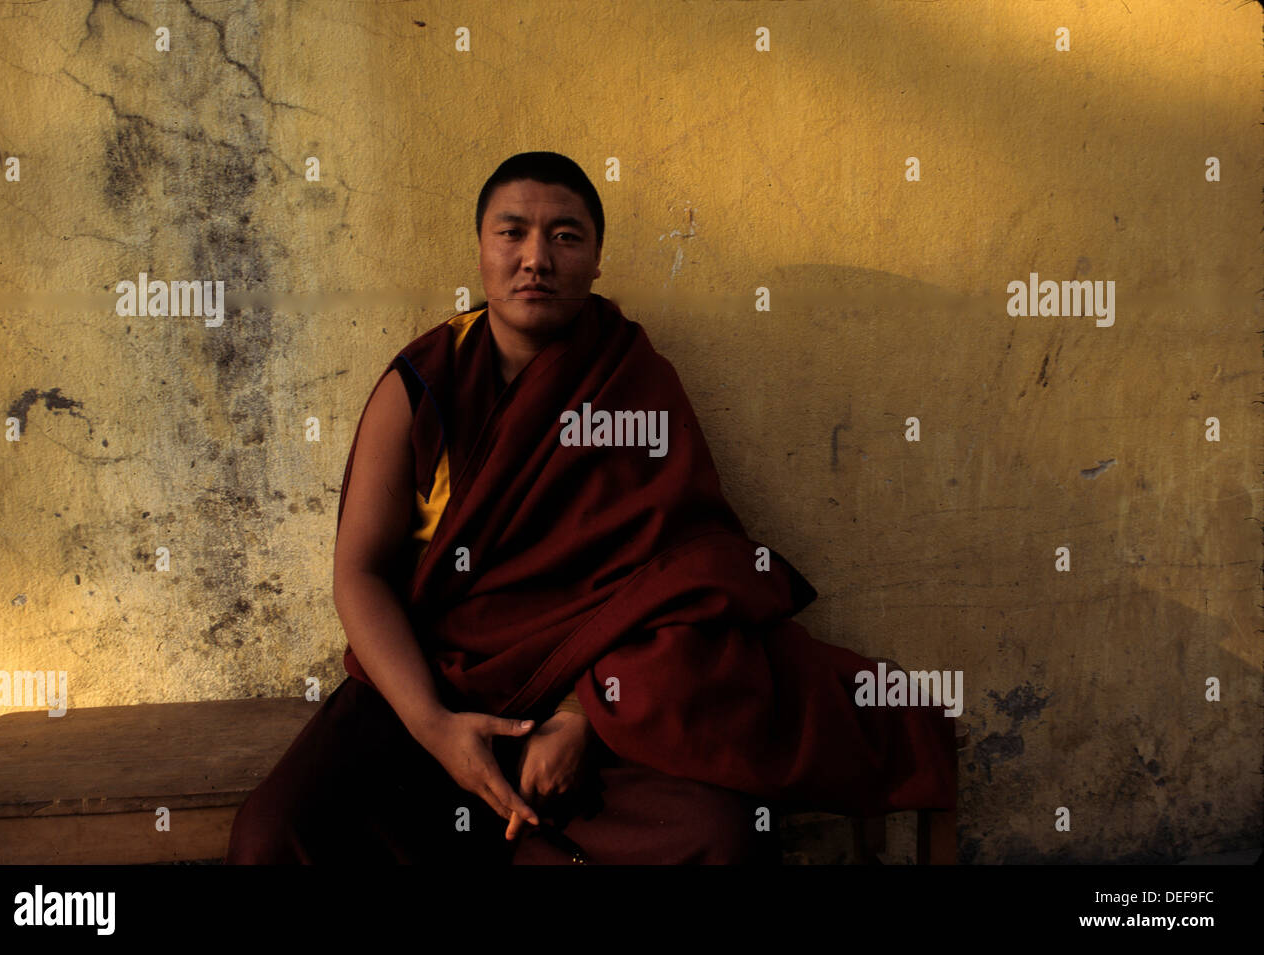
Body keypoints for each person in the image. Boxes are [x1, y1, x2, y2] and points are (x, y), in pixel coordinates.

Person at [225, 152, 955, 865]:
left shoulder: (632, 383)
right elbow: (360, 573)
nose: (535, 258)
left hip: (603, 699)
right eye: (511, 233)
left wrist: (582, 716)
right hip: (437, 686)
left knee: (714, 832)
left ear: (597, 258)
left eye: (565, 236)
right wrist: (438, 729)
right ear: (481, 250)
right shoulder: (422, 385)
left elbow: (685, 577)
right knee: (279, 830)